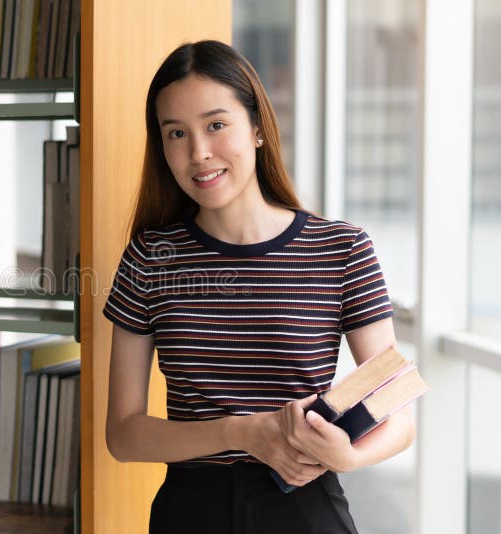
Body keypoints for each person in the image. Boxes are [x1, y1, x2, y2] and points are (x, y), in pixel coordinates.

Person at [102, 40, 416, 534]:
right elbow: (123, 435)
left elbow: (397, 416)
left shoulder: (342, 249)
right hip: (190, 514)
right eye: (176, 133)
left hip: (305, 507)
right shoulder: (149, 258)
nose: (199, 152)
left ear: (257, 129)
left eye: (216, 125)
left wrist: (349, 457)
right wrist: (241, 432)